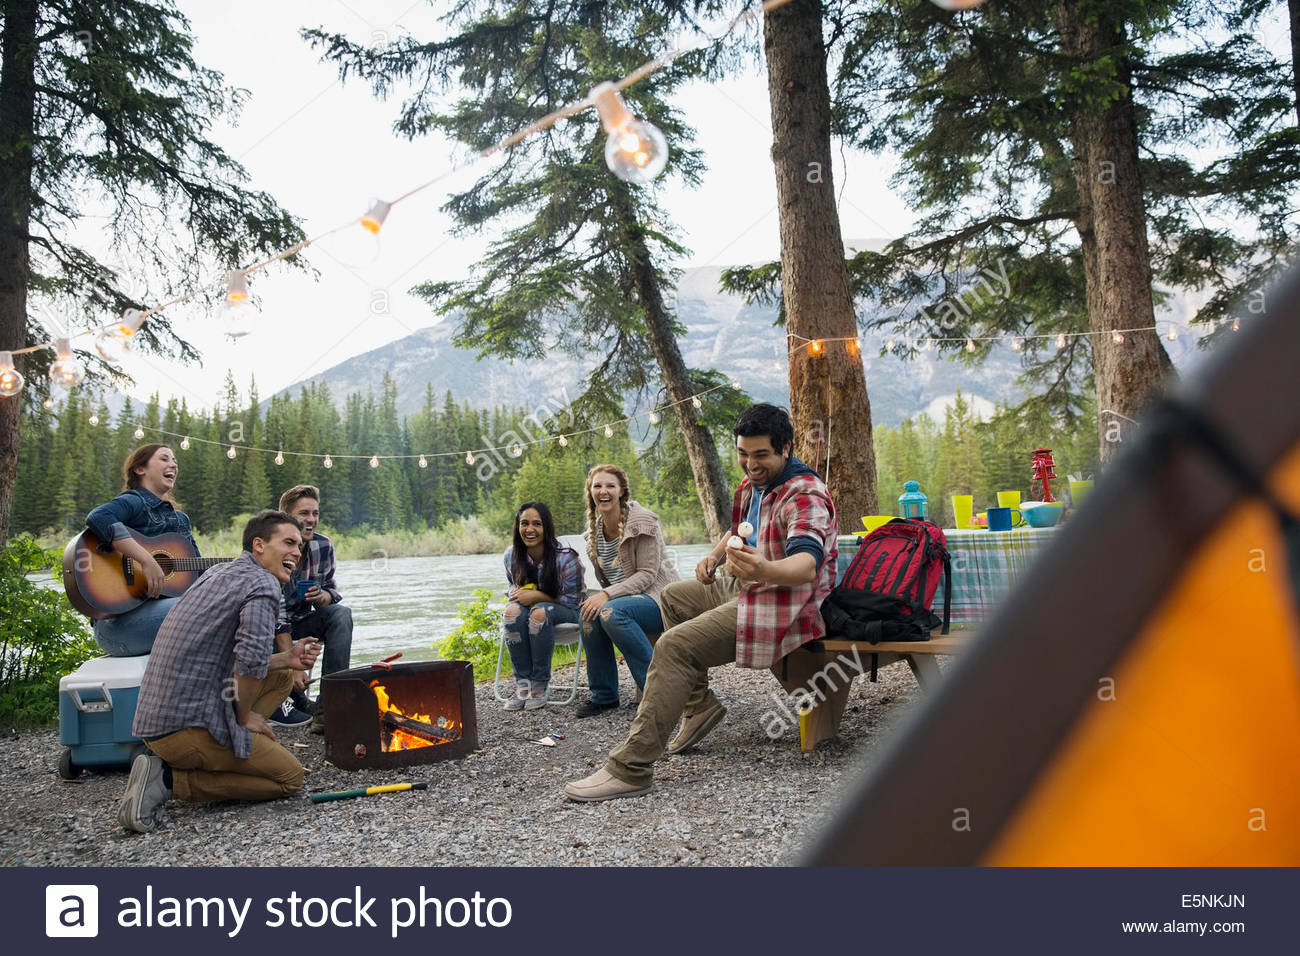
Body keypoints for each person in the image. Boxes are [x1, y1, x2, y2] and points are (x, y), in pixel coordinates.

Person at [565, 403, 838, 801]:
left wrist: (761, 566)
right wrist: (715, 556)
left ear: (786, 449)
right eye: (744, 454)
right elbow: (736, 532)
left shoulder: (805, 493)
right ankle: (699, 705)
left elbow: (805, 566)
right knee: (672, 598)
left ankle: (632, 769)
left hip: (785, 600)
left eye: (761, 455)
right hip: (746, 584)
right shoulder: (751, 486)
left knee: (675, 646)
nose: (750, 464)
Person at [117, 510, 322, 833]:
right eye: (288, 543)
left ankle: (227, 748)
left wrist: (288, 658)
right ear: (259, 544)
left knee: (282, 675)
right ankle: (170, 780)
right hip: (183, 730)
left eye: (299, 545)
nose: (297, 552)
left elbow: (228, 657)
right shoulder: (263, 584)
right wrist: (244, 717)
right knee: (289, 778)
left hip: (155, 720)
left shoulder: (220, 573)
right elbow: (250, 662)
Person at [576, 464, 679, 718]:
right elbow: (607, 581)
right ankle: (604, 695)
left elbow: (647, 575)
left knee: (611, 612)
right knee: (587, 614)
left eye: (610, 485)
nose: (603, 491)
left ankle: (658, 693)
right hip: (626, 600)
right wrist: (601, 597)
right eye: (597, 486)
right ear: (590, 492)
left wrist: (607, 595)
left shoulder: (642, 522)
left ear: (621, 491)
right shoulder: (593, 535)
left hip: (659, 598)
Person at [84, 444, 196, 657]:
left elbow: (199, 575)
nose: (172, 464)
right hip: (118, 623)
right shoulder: (134, 501)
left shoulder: (181, 520)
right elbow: (98, 517)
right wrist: (146, 559)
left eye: (175, 461)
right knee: (196, 606)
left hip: (167, 612)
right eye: (164, 459)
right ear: (139, 469)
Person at [273, 484, 354, 732]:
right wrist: (292, 663)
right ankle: (286, 703)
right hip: (266, 629)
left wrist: (321, 596)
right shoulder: (273, 549)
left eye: (315, 514)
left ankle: (328, 709)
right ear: (287, 517)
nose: (311, 520)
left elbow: (332, 590)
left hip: (303, 620)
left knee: (341, 614)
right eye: (304, 514)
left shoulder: (323, 546)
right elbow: (279, 616)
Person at [502, 502, 585, 711]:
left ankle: (539, 685)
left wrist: (539, 596)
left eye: (537, 524)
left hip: (569, 611)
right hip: (530, 611)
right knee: (511, 612)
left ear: (546, 527)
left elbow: (574, 601)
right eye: (524, 523)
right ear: (517, 526)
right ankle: (523, 684)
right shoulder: (511, 555)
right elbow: (513, 590)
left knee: (539, 613)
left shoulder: (566, 557)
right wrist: (520, 596)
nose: (530, 529)